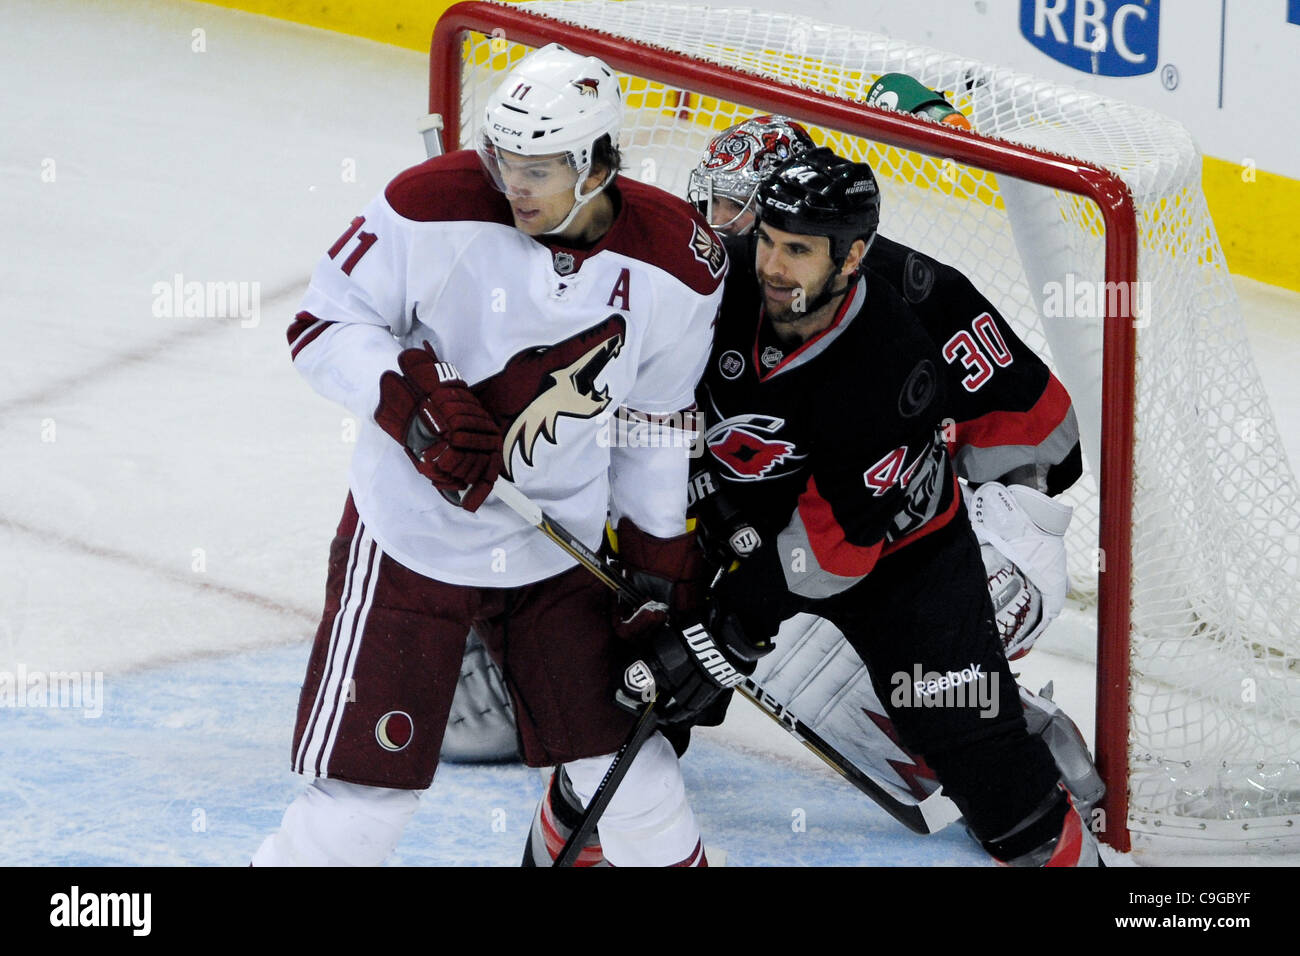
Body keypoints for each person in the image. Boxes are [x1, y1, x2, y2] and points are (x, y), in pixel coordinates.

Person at [253, 42, 726, 867]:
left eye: (539, 168)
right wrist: (409, 403)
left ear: (598, 163)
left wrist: (657, 564)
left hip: (555, 550)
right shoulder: (428, 205)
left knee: (633, 778)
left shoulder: (678, 264)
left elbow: (653, 422)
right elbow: (322, 325)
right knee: (362, 812)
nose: (514, 185)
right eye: (505, 159)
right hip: (411, 540)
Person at [677, 142, 1099, 866]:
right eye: (767, 241)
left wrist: (734, 625)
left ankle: (1036, 791)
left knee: (976, 758)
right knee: (651, 664)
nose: (774, 267)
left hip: (907, 566)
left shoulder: (893, 358)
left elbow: (831, 547)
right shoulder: (723, 280)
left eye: (798, 250)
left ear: (851, 257)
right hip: (758, 525)